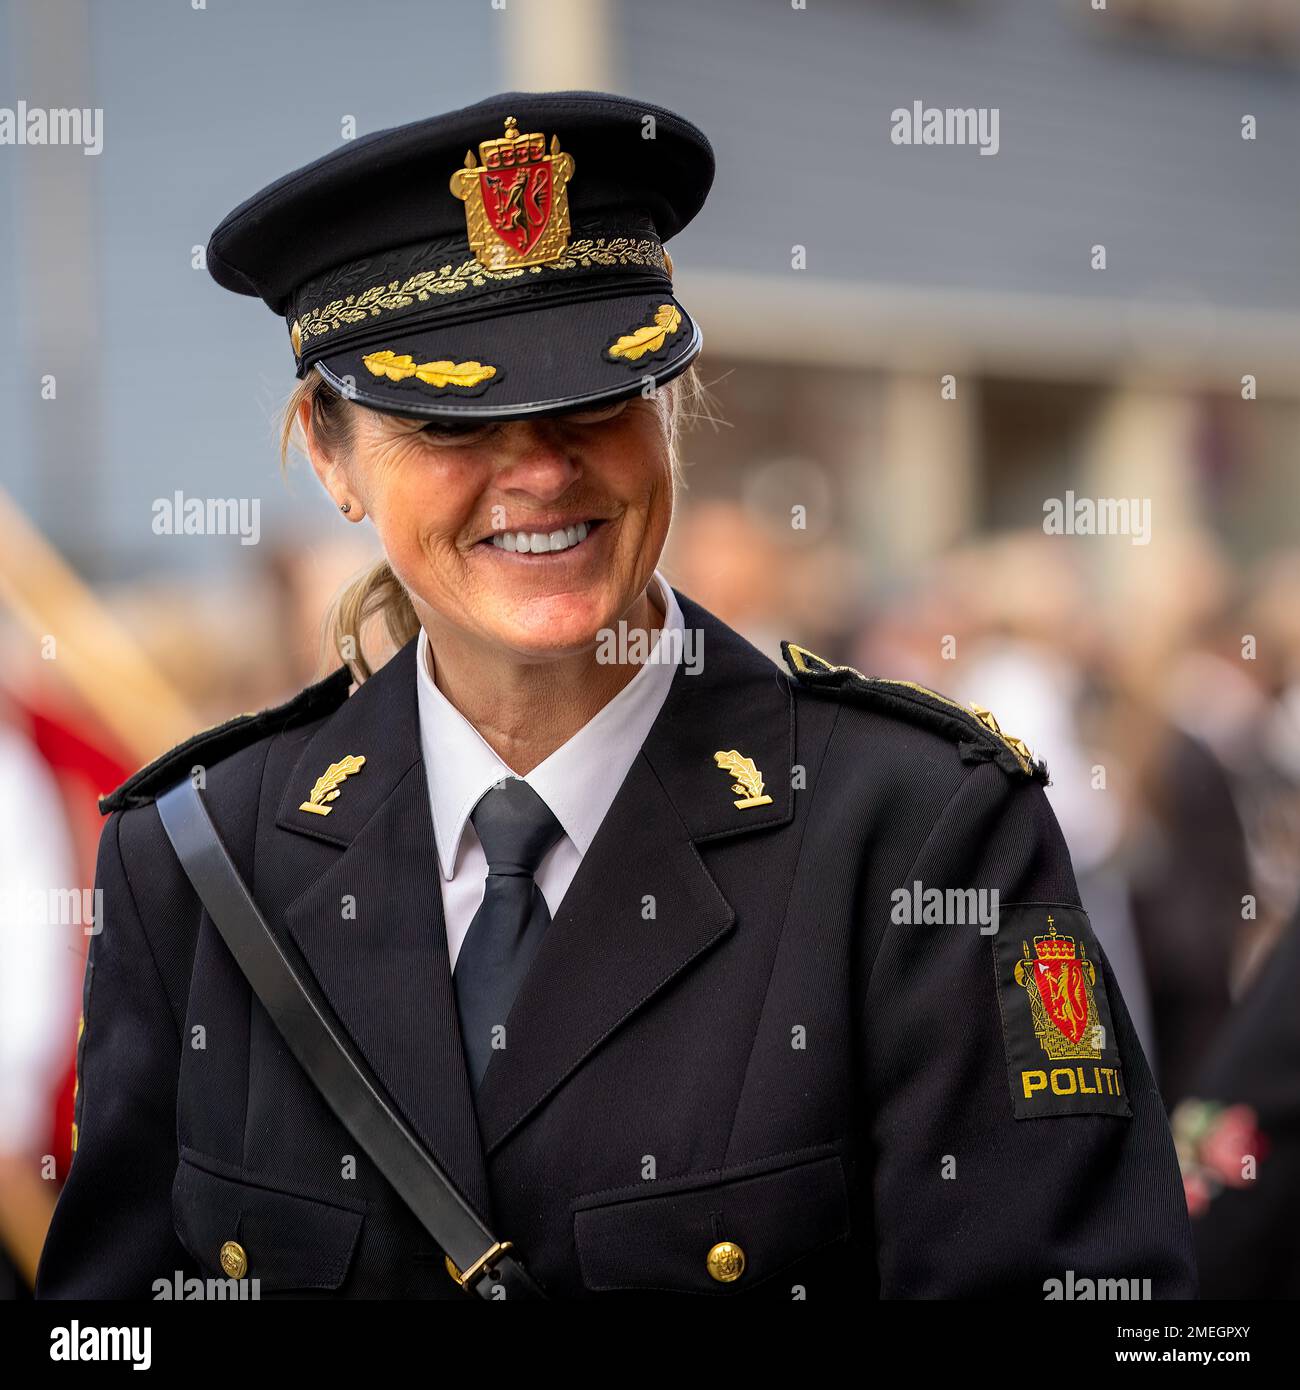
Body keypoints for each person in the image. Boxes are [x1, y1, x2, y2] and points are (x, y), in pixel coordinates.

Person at [35, 90, 1196, 1300]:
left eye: (597, 397)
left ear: (669, 409)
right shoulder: (199, 852)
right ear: (331, 457)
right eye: (452, 415)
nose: (538, 470)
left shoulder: (920, 834)